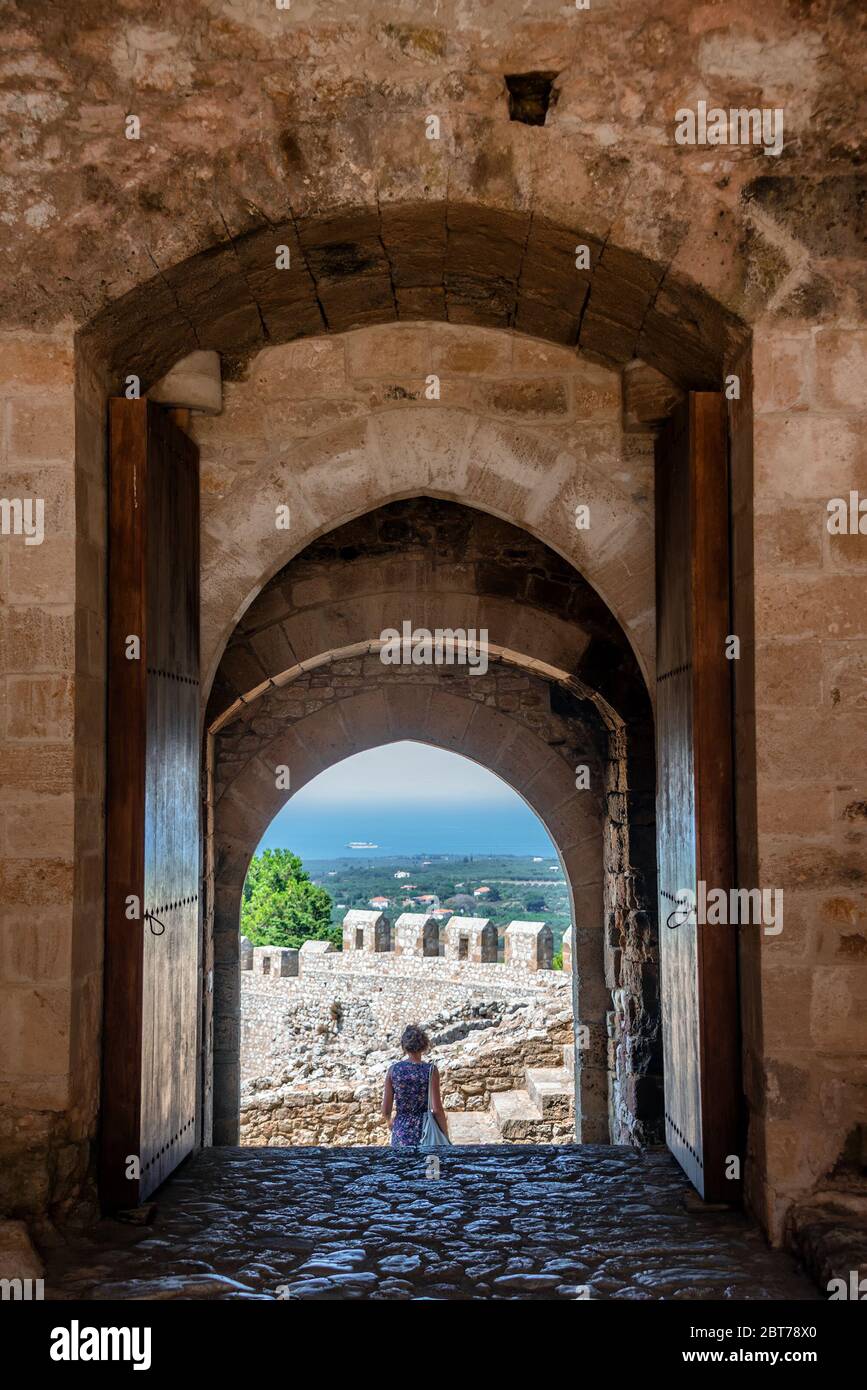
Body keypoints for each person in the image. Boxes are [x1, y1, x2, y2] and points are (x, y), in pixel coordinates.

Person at [381, 1024, 449, 1148]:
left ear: (404, 1046)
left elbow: (386, 1109)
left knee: (402, 1167)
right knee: (428, 1166)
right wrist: (445, 1135)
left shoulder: (393, 1070)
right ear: (424, 1045)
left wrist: (389, 1122)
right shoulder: (430, 1071)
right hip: (425, 1130)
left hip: (401, 1131)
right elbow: (437, 1109)